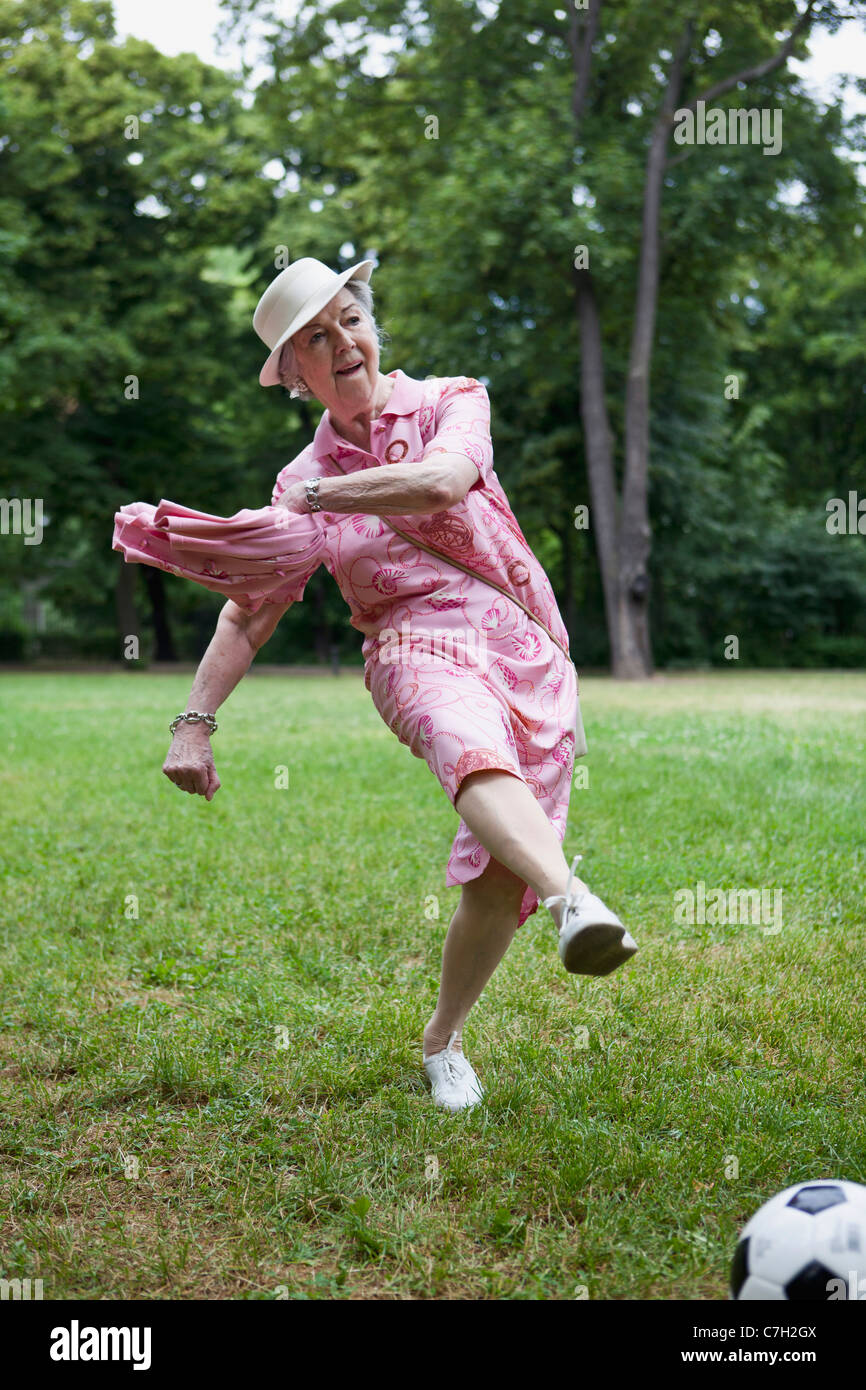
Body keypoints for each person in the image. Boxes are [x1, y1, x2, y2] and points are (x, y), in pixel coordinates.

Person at [112, 255, 638, 1113]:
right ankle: (573, 900)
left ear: (371, 324)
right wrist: (192, 723)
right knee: (464, 743)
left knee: (495, 879)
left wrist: (317, 498)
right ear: (295, 376)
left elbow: (440, 482)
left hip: (528, 646)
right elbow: (250, 614)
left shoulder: (450, 401)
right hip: (410, 647)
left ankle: (443, 1041)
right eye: (315, 338)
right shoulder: (294, 487)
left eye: (349, 318)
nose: (341, 341)